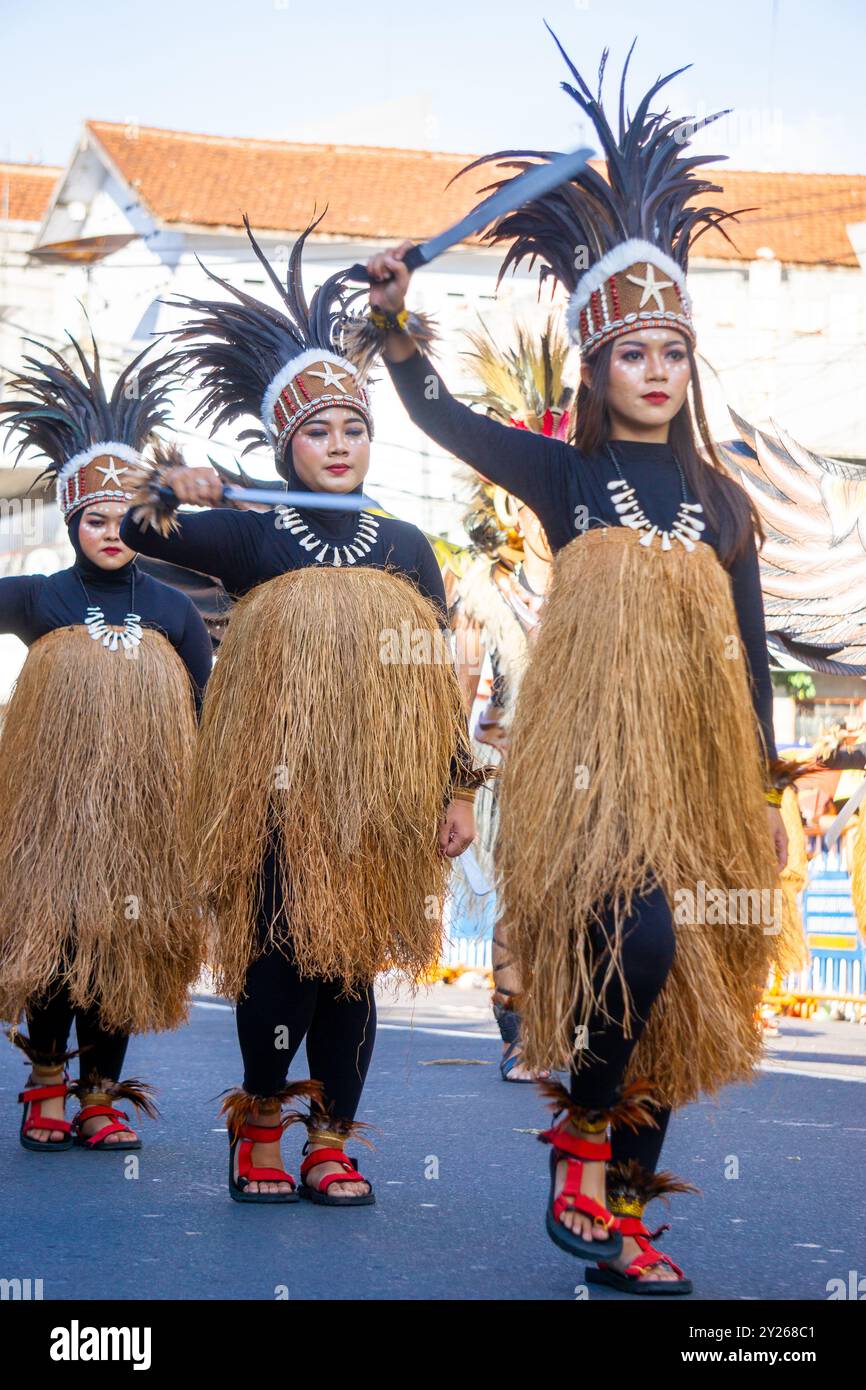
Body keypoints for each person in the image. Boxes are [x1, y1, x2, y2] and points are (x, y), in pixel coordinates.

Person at [361, 33, 797, 1293]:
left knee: (677, 988)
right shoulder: (565, 475)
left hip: (704, 780)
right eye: (629, 354)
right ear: (594, 365)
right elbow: (440, 417)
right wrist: (393, 327)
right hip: (595, 778)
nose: (652, 372)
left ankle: (619, 1211)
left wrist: (764, 795)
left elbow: (749, 650)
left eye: (670, 354)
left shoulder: (718, 500)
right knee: (643, 942)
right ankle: (579, 1134)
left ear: (685, 364)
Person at [120, 214, 481, 1204]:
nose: (336, 442)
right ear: (286, 444)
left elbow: (435, 674)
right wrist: (170, 483)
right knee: (280, 957)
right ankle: (261, 1125)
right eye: (317, 430)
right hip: (280, 792)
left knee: (351, 967)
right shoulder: (249, 532)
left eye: (352, 426)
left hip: (382, 792)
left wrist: (457, 786)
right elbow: (132, 524)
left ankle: (331, 1136)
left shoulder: (405, 541)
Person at [0, 334, 212, 1151]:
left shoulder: (174, 608)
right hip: (53, 819)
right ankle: (47, 1080)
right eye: (94, 517)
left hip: (145, 819)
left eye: (126, 516)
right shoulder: (38, 597)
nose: (111, 530)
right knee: (58, 937)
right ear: (71, 521)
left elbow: (205, 706)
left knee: (122, 946)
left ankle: (100, 1092)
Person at [450, 317, 567, 1081]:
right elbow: (456, 690)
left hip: (595, 772)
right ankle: (519, 1035)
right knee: (523, 902)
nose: (543, 512)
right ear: (510, 511)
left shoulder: (607, 581)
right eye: (529, 498)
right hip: (513, 775)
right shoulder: (485, 595)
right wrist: (457, 780)